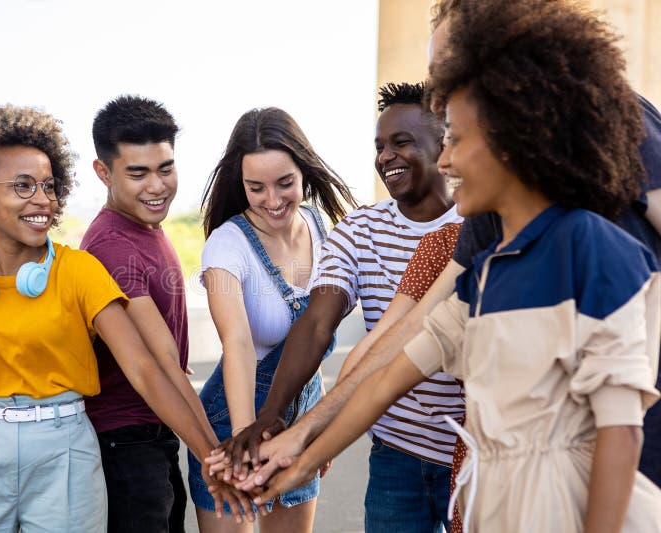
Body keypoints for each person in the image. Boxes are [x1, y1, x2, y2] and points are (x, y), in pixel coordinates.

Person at [251, 1, 661, 531]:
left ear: (516, 127)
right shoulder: (487, 266)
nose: (445, 158)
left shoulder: (600, 243)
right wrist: (298, 450)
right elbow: (393, 360)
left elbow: (618, 433)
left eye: (456, 137)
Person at [0, 105, 249, 533]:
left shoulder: (81, 270)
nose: (43, 200)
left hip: (65, 449)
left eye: (48, 185)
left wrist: (206, 455)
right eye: (22, 186)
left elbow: (144, 366)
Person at [210, 82, 463, 533]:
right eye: (380, 146)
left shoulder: (476, 228)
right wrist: (273, 416)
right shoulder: (360, 229)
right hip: (395, 451)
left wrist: (308, 434)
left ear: (445, 144)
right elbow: (317, 322)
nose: (385, 156)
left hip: (469, 449)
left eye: (401, 142)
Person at [187, 106, 357, 532]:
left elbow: (317, 338)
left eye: (285, 183)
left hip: (298, 421)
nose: (273, 200)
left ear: (304, 172)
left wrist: (315, 424)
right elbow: (239, 346)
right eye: (256, 188)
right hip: (235, 420)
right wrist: (248, 441)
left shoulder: (325, 229)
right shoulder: (227, 247)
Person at [79, 95, 215, 532]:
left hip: (153, 428)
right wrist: (212, 455)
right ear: (104, 172)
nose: (156, 186)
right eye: (137, 173)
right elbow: (155, 364)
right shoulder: (112, 246)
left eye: (165, 168)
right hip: (125, 438)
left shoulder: (146, 226)